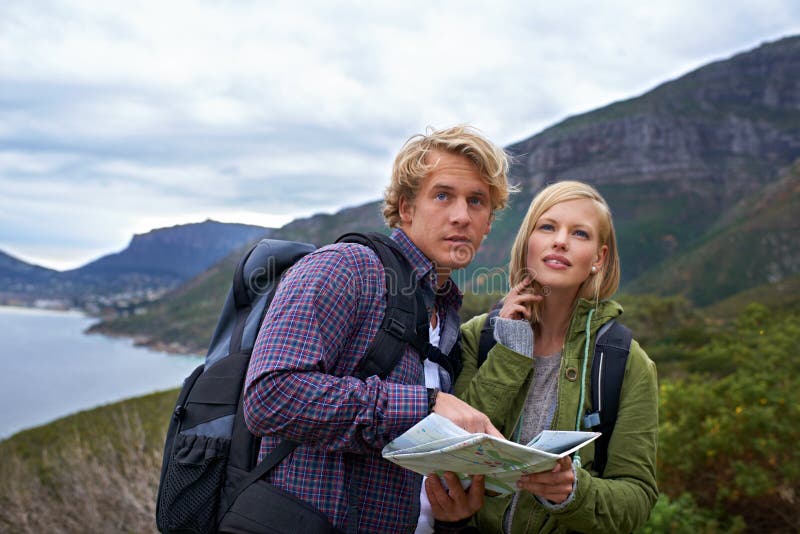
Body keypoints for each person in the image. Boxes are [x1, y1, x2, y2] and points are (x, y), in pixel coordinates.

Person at [242, 125, 512, 533]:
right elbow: (269, 396)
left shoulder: (446, 314)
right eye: (443, 195)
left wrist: (450, 518)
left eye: (477, 202)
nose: (461, 215)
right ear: (406, 208)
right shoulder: (345, 266)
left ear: (488, 222)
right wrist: (426, 404)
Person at [427, 180, 659, 533]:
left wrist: (573, 493)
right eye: (547, 227)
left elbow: (637, 498)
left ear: (599, 258)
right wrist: (509, 351)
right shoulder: (478, 336)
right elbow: (449, 446)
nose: (561, 240)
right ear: (527, 245)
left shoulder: (625, 361)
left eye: (579, 233)